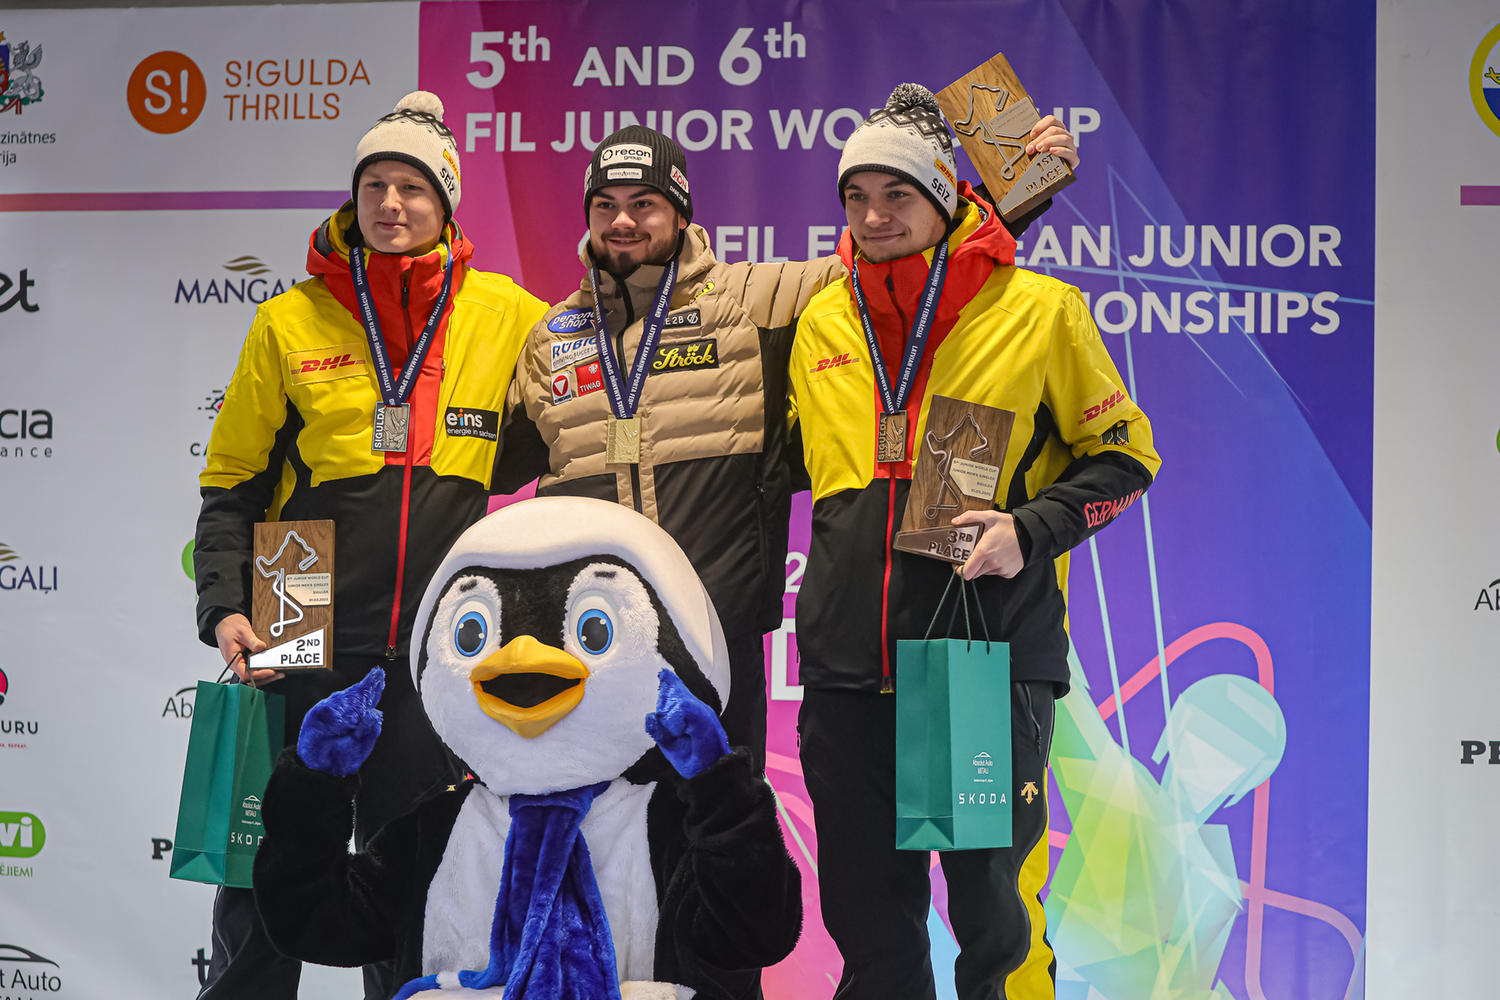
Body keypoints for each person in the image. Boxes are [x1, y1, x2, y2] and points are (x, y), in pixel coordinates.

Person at [497, 118, 1076, 771]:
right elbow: (492, 461)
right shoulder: (554, 336)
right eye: (605, 206)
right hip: (588, 640)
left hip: (717, 630)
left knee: (725, 838)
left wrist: (1020, 191)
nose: (622, 222)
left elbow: (894, 262)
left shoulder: (753, 300)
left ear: (681, 212)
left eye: (643, 204)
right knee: (605, 844)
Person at [786, 84, 1162, 1000]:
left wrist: (1028, 531)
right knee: (870, 933)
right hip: (843, 677)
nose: (874, 218)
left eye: (898, 196)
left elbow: (1127, 462)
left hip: (972, 668)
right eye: (856, 198)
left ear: (947, 197)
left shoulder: (1037, 311)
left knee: (993, 926)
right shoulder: (823, 320)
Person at [191, 91, 547, 1000]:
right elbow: (231, 480)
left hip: (434, 640)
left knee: (408, 866)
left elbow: (565, 418)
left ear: (448, 203)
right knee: (270, 853)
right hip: (296, 609)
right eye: (374, 186)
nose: (391, 204)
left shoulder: (506, 314)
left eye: (413, 188)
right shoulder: (290, 318)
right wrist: (227, 604)